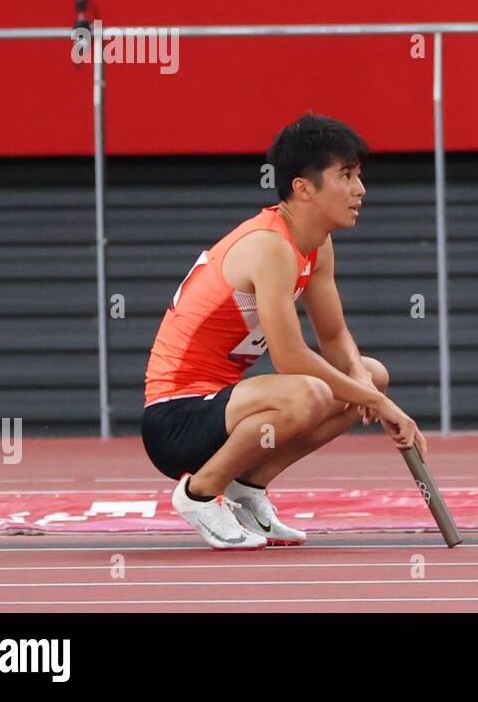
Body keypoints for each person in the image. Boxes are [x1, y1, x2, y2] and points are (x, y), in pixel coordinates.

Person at [142, 113, 427, 550]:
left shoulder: (316, 244)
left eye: (359, 176)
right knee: (311, 392)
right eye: (346, 176)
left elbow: (333, 338)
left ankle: (249, 487)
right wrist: (378, 403)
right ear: (303, 188)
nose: (360, 190)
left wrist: (368, 386)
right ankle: (199, 494)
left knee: (371, 372)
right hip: (176, 420)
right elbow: (291, 358)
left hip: (229, 413)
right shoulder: (270, 246)